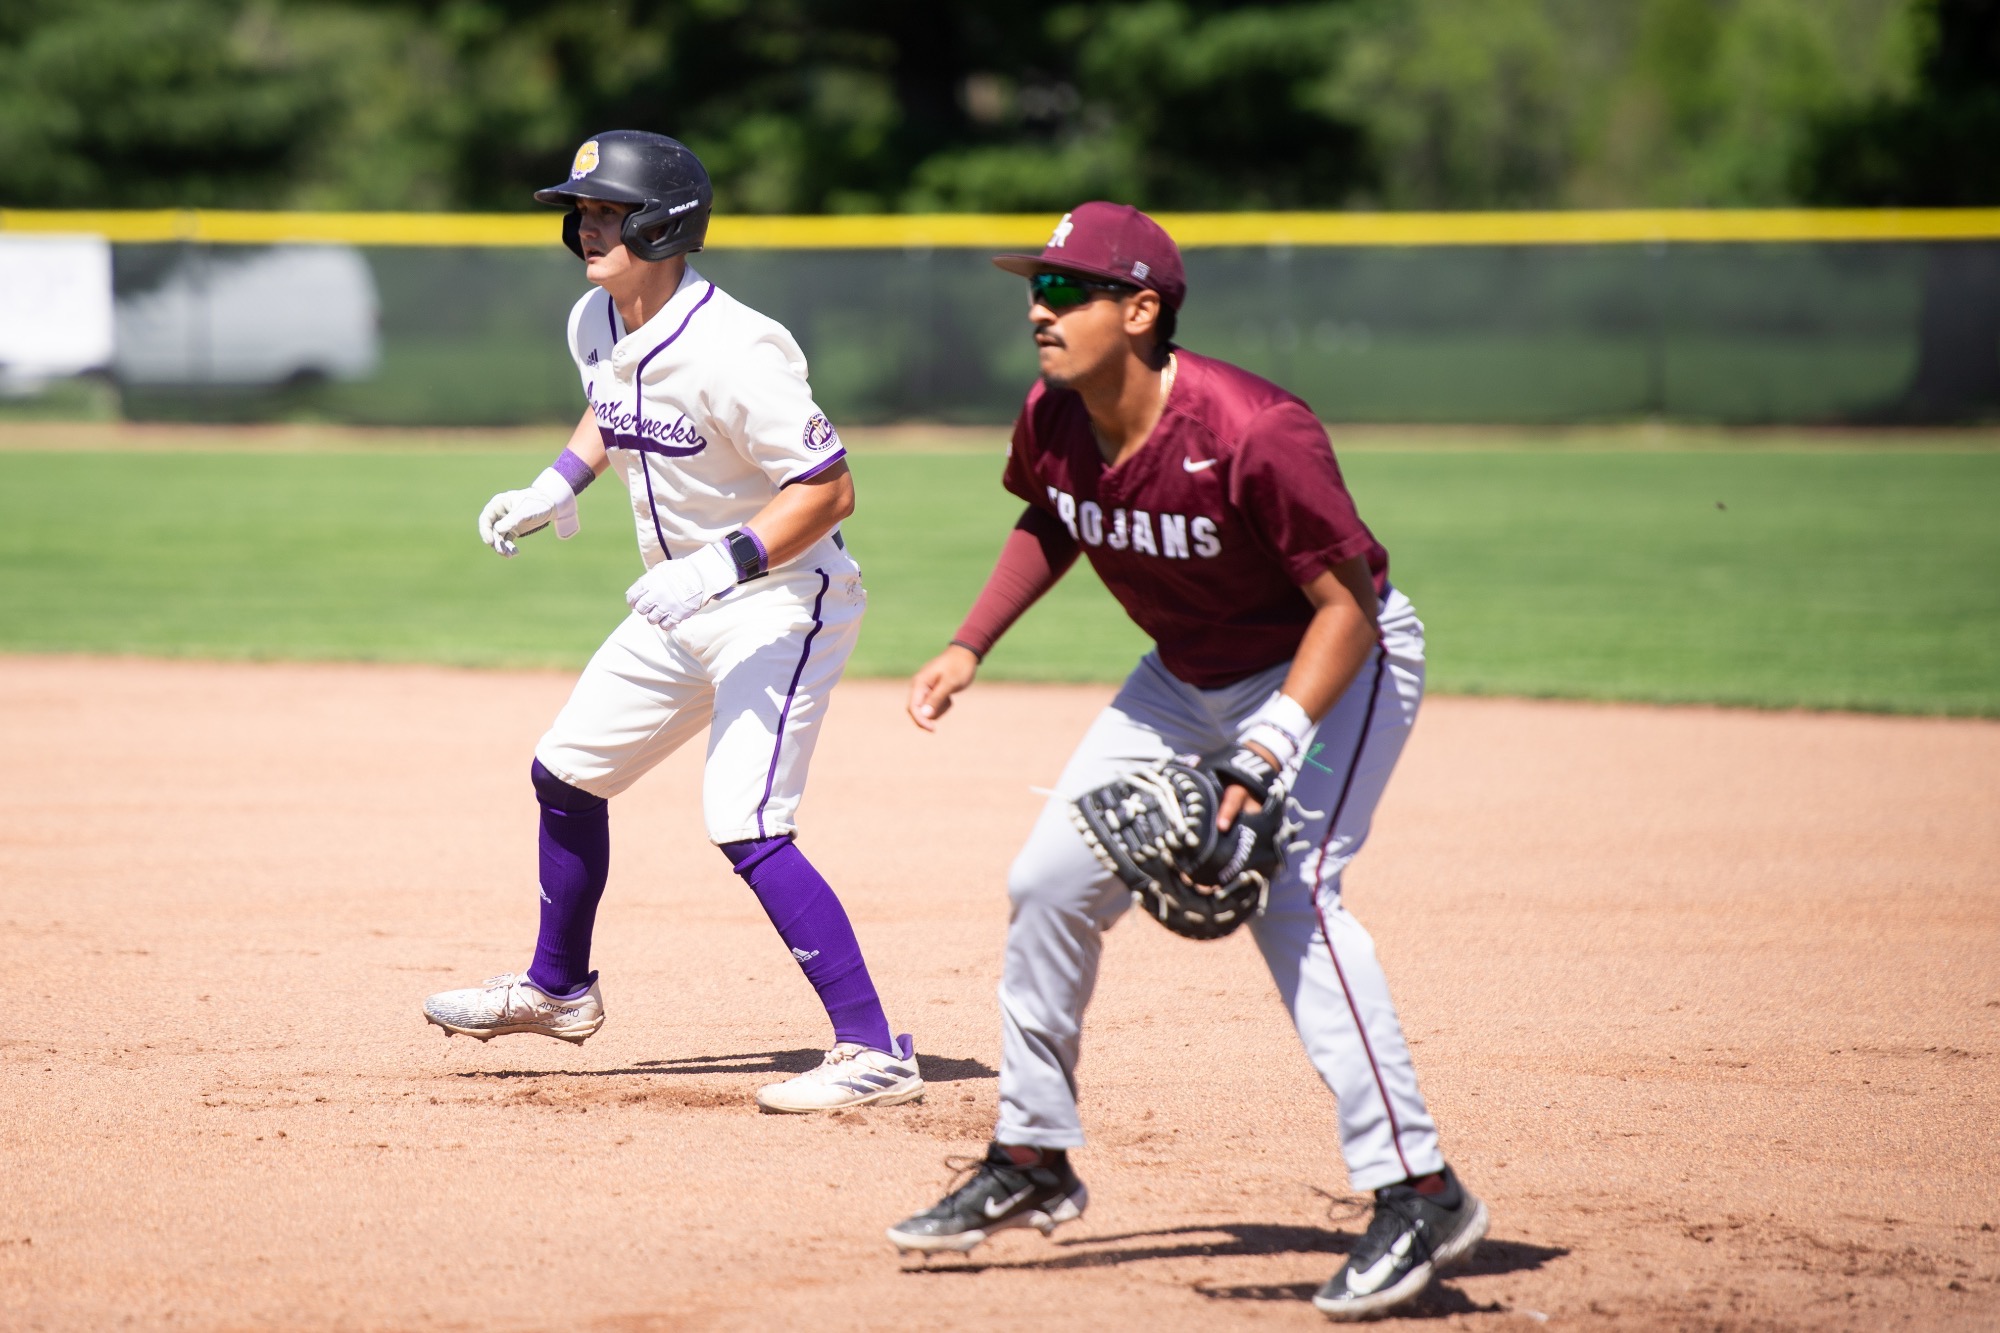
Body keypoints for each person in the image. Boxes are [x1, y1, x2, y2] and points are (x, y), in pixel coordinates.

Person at [882, 203, 1485, 1320]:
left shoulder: (1255, 429)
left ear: (1141, 309)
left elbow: (1345, 606)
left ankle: (1420, 1188)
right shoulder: (1053, 415)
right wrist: (970, 641)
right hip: (1182, 674)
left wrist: (1267, 749)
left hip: (1328, 666)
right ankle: (1033, 1155)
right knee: (1046, 883)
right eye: (1035, 288)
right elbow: (1051, 517)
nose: (1037, 310)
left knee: (1292, 892)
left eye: (1064, 292)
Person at [421, 130, 921, 1115]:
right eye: (582, 211)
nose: (586, 226)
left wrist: (717, 565)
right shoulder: (595, 320)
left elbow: (828, 489)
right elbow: (608, 412)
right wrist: (551, 484)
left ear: (665, 221)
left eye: (605, 209)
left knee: (743, 819)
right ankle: (558, 989)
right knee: (566, 771)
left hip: (781, 600)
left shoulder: (739, 350)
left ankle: (874, 1048)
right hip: (679, 600)